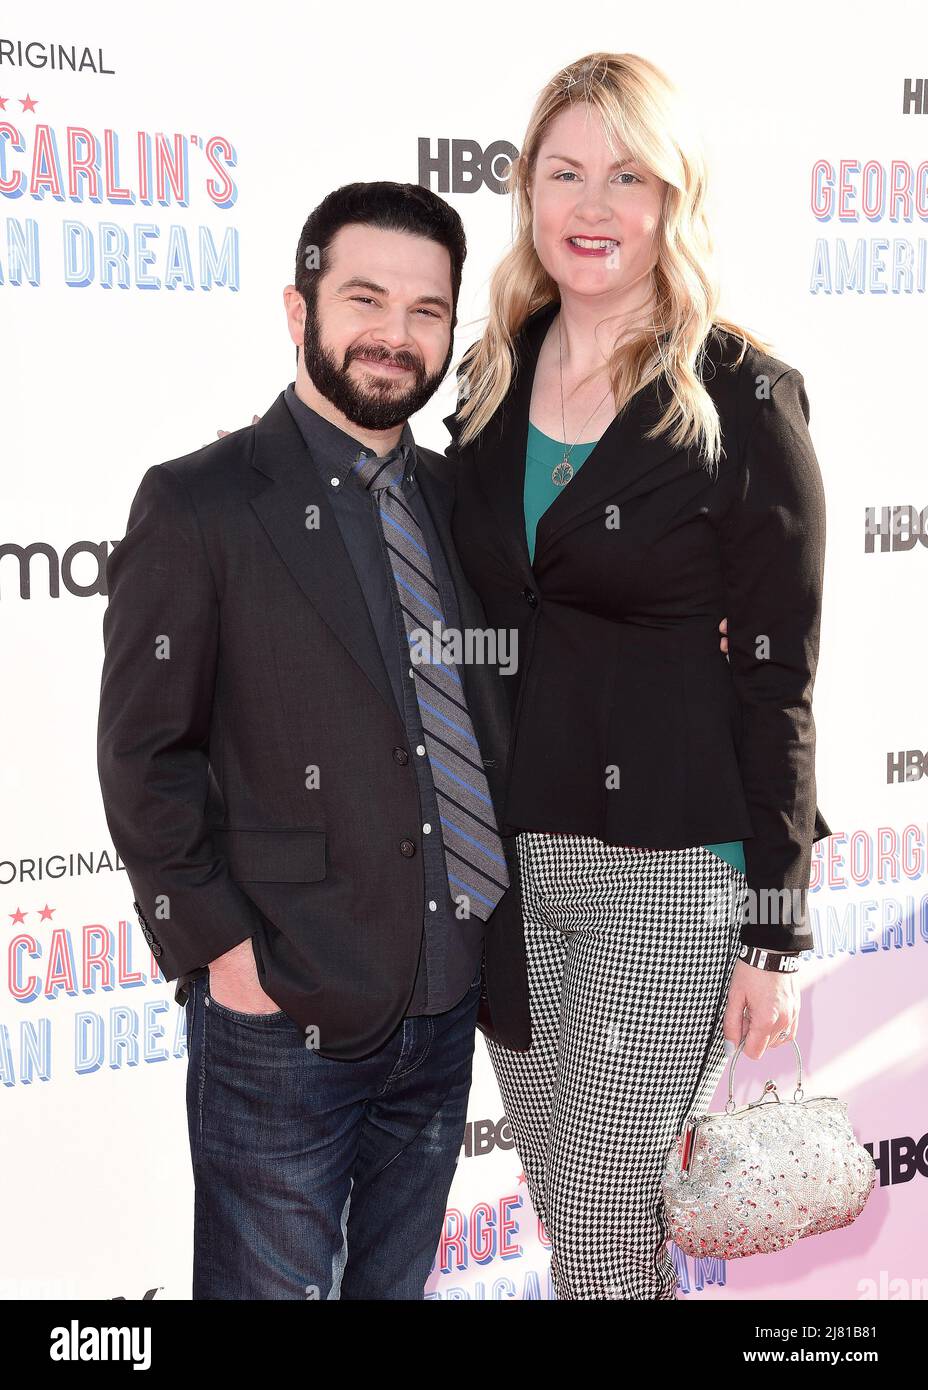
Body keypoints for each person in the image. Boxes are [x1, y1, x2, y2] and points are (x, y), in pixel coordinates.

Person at [440, 52, 832, 1300]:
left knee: (608, 1221)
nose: (592, 203)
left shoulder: (738, 397)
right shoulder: (489, 382)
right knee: (579, 1222)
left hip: (669, 872)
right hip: (508, 865)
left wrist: (773, 923)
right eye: (565, 172)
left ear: (672, 199)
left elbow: (778, 678)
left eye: (626, 173)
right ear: (529, 198)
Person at [95, 182, 526, 1300]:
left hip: (439, 1003)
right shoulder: (200, 504)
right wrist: (224, 956)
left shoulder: (457, 502)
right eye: (365, 298)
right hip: (280, 1013)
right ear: (300, 310)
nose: (395, 333)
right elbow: (146, 753)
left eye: (427, 309)